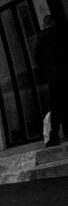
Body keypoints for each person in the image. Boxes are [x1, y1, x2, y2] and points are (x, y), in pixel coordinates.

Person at [35, 15, 66, 147]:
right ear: (53, 22)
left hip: (53, 75)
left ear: (44, 24)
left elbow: (38, 59)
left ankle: (54, 137)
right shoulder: (62, 33)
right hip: (65, 71)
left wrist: (46, 72)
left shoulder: (42, 38)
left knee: (56, 106)